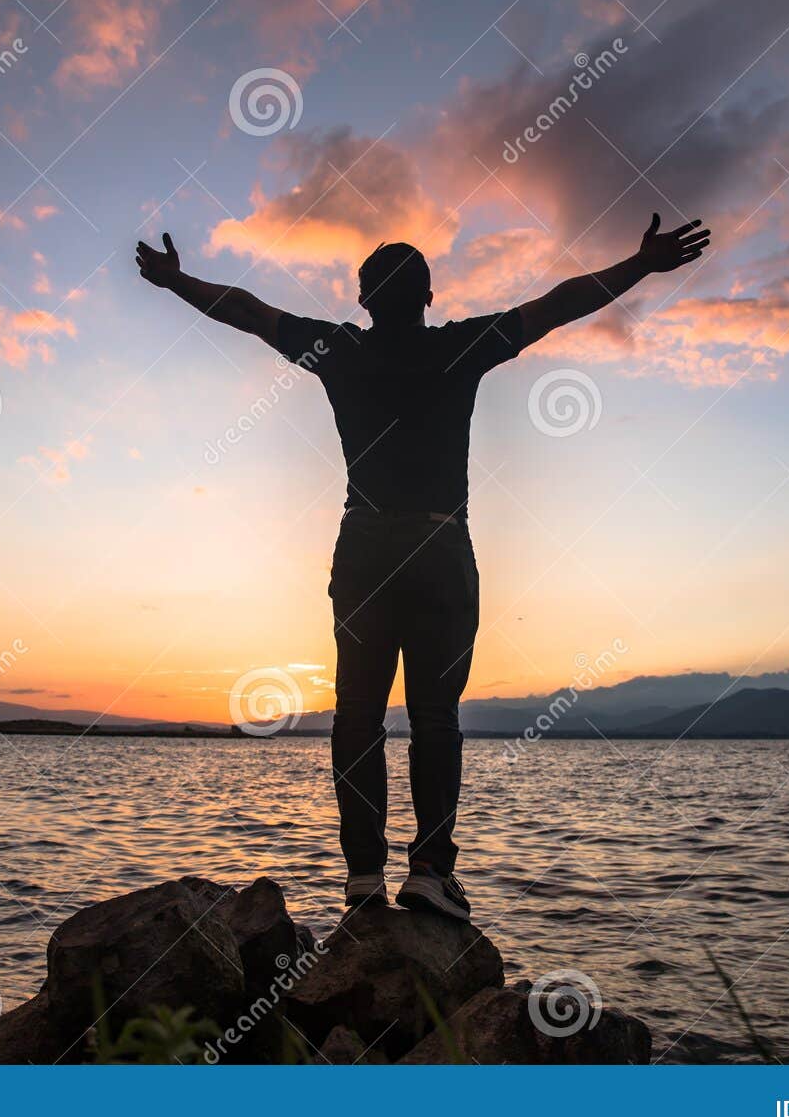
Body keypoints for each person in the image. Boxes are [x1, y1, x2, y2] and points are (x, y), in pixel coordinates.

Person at [136, 212, 710, 920]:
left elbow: (251, 313)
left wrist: (175, 281)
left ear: (364, 300)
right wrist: (638, 263)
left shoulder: (339, 349)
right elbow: (561, 304)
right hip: (439, 548)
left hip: (365, 546)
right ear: (429, 297)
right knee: (435, 715)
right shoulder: (460, 347)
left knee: (357, 717)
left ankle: (364, 878)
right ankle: (431, 871)